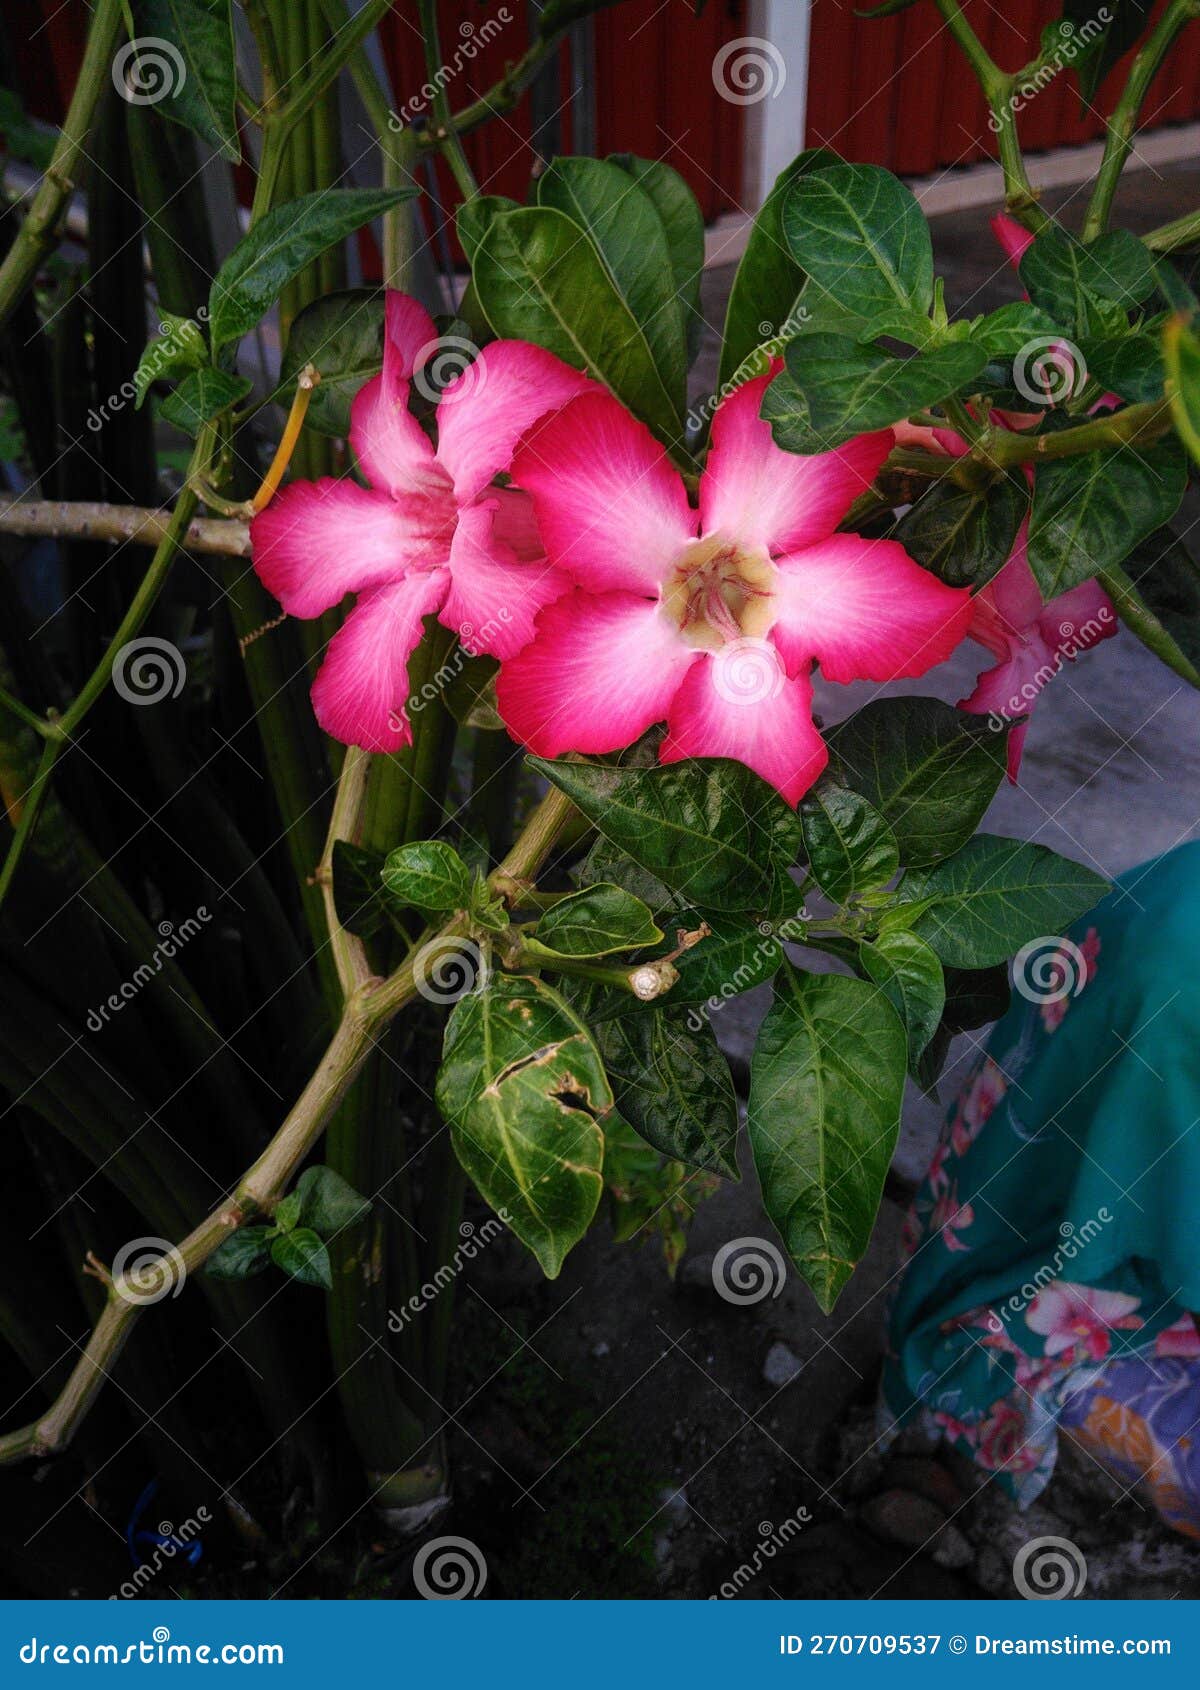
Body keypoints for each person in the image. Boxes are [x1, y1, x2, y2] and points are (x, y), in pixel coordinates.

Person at [880, 844, 1200, 1538]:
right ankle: (946, 1458)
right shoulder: (1182, 1000)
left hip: (1028, 1192)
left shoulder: (1179, 902)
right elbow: (1185, 1254)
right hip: (1042, 1267)